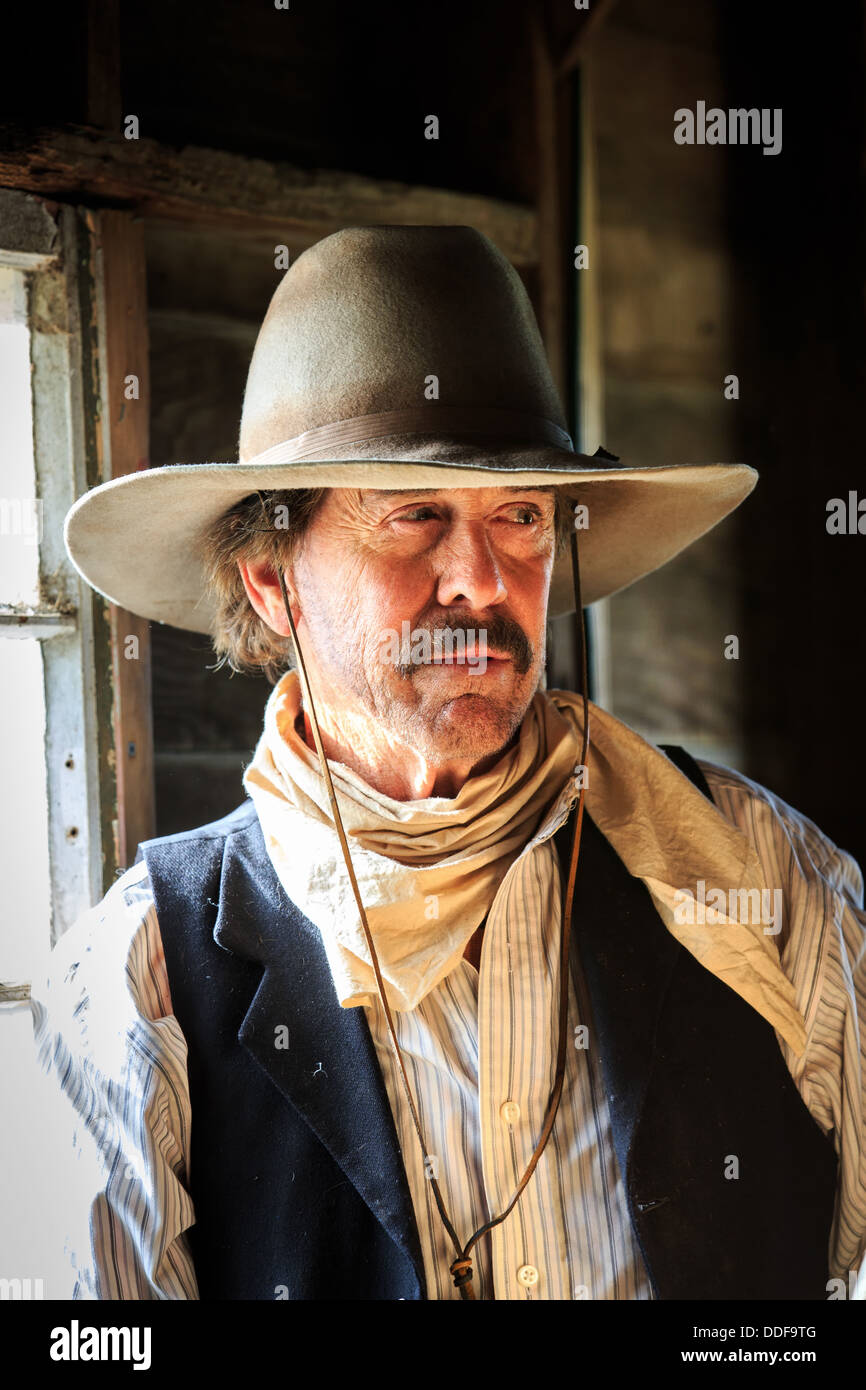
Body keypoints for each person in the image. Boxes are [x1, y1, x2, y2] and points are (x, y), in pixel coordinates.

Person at [33, 225, 865, 1301]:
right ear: (270, 582)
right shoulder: (141, 979)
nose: (479, 577)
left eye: (519, 516)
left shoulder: (754, 872)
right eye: (414, 514)